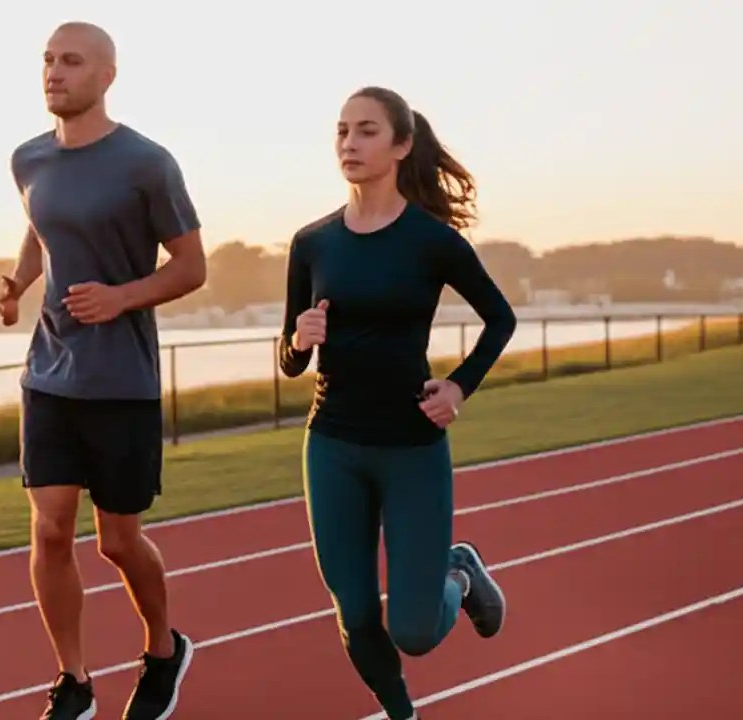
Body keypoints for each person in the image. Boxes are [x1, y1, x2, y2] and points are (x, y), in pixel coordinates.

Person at [277, 86, 518, 719]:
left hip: (411, 446)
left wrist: (459, 385)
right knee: (355, 612)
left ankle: (459, 573)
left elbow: (499, 319)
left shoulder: (430, 241)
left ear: (401, 145)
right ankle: (401, 713)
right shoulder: (312, 242)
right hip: (332, 442)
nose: (349, 144)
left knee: (413, 630)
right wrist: (298, 341)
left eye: (366, 131)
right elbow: (289, 357)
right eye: (341, 132)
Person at [0, 20, 207, 720]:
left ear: (106, 75)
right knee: (51, 529)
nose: (55, 72)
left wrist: (121, 297)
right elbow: (40, 224)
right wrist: (20, 281)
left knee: (117, 540)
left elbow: (191, 267)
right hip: (49, 374)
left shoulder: (148, 163)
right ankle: (75, 682)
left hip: (123, 381)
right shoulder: (28, 158)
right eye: (48, 61)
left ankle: (162, 648)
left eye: (72, 62)